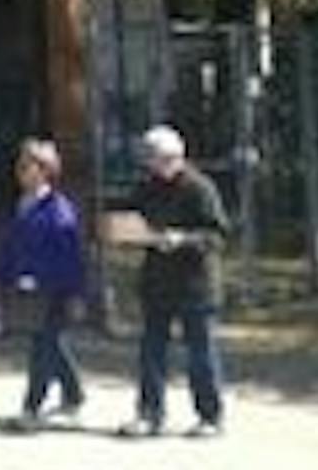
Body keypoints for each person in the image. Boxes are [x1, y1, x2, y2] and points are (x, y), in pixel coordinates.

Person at [120, 124, 232, 439]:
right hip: (157, 282)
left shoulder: (200, 188)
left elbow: (217, 235)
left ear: (175, 157)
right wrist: (127, 230)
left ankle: (210, 416)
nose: (153, 167)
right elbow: (131, 214)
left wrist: (182, 239)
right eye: (150, 161)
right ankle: (149, 414)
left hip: (195, 286)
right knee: (151, 351)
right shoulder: (148, 187)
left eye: (158, 160)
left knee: (201, 354)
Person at [0, 136, 86, 432]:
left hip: (53, 290)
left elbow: (70, 256)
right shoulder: (23, 206)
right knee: (48, 342)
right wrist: (0, 280)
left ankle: (31, 407)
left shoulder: (58, 210)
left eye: (29, 167)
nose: (21, 173)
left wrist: (74, 292)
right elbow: (10, 247)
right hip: (27, 288)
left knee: (42, 349)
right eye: (20, 167)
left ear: (46, 171)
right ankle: (73, 394)